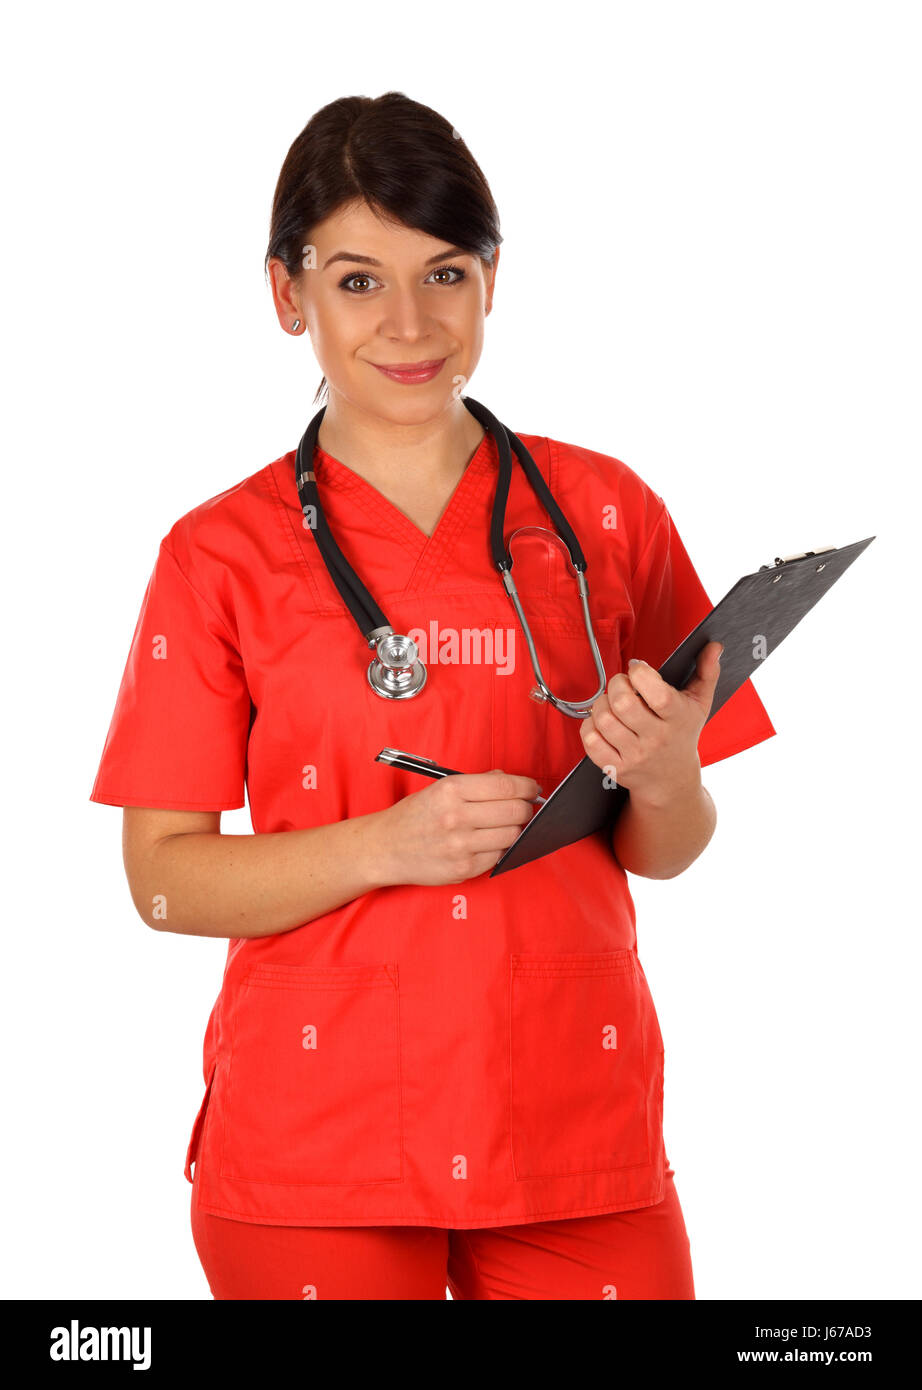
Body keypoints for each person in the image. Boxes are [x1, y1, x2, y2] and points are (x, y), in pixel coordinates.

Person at [89, 91, 775, 1301]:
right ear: (285, 293)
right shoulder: (216, 555)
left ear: (492, 280)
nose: (409, 323)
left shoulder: (606, 515)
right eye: (357, 280)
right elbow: (161, 879)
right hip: (318, 1142)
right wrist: (383, 844)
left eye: (445, 272)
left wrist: (666, 775)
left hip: (571, 1120)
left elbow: (666, 850)